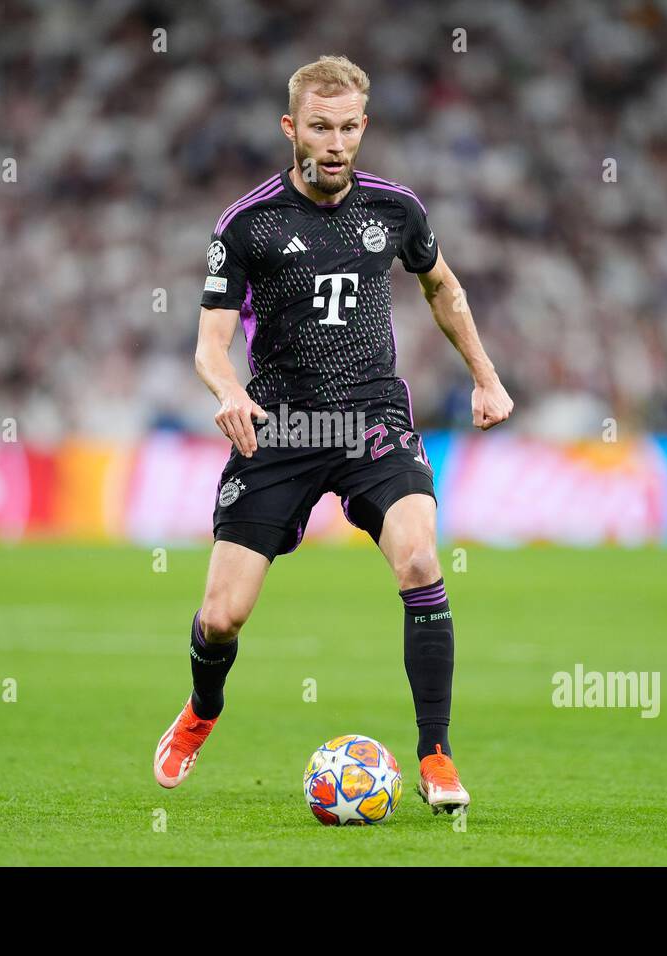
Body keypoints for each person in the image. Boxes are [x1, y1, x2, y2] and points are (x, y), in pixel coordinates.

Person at [153, 56, 513, 813]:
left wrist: (485, 375)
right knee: (221, 616)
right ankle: (202, 711)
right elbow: (209, 344)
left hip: (371, 417)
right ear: (292, 128)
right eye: (321, 127)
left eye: (349, 127)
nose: (336, 142)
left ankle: (437, 755)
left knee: (419, 557)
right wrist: (228, 393)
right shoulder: (246, 224)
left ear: (364, 128)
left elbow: (441, 285)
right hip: (279, 425)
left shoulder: (395, 210)